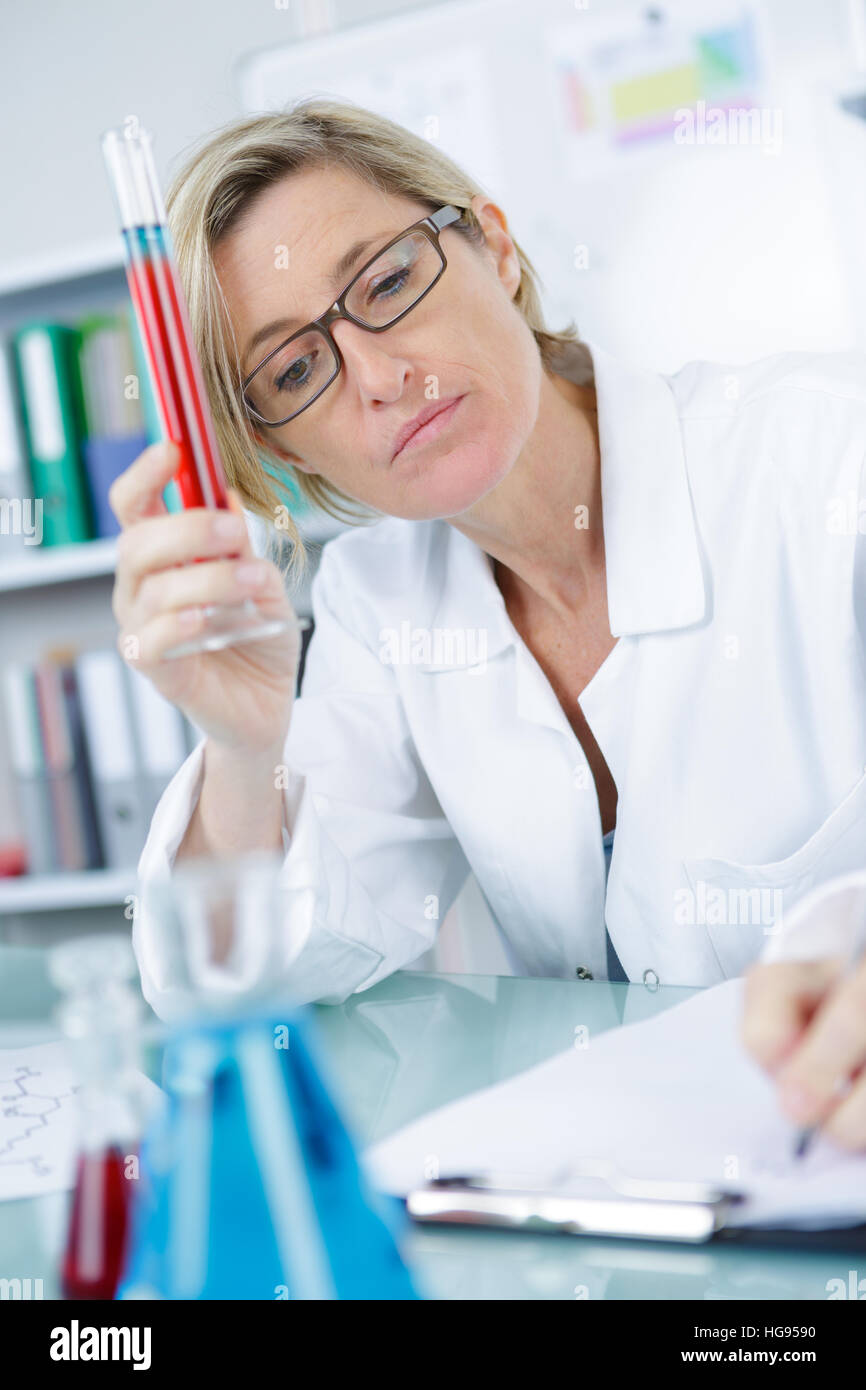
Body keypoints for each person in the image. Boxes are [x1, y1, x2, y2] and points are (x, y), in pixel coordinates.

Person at [108, 99, 866, 1148]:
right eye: (292, 371)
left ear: (493, 245)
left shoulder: (825, 462)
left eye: (384, 282)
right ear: (281, 454)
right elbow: (260, 973)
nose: (379, 379)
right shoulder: (380, 601)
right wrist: (243, 748)